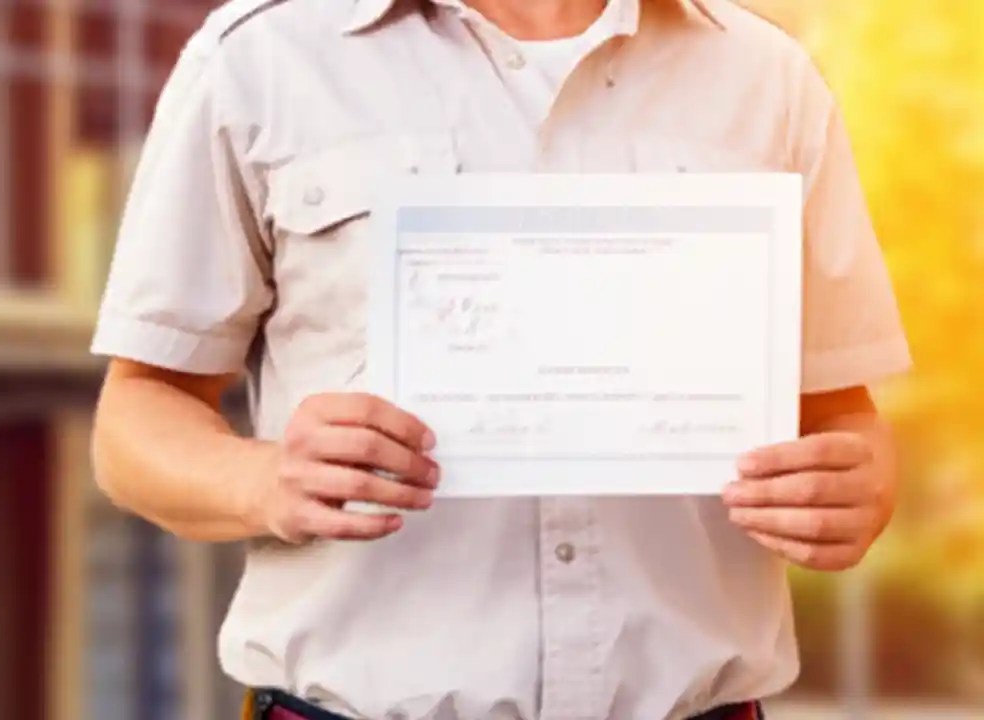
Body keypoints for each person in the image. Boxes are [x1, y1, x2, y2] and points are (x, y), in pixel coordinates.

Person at [89, 0, 911, 717]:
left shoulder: (767, 76)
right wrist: (264, 482)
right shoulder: (259, 62)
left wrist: (860, 487)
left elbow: (843, 415)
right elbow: (133, 421)